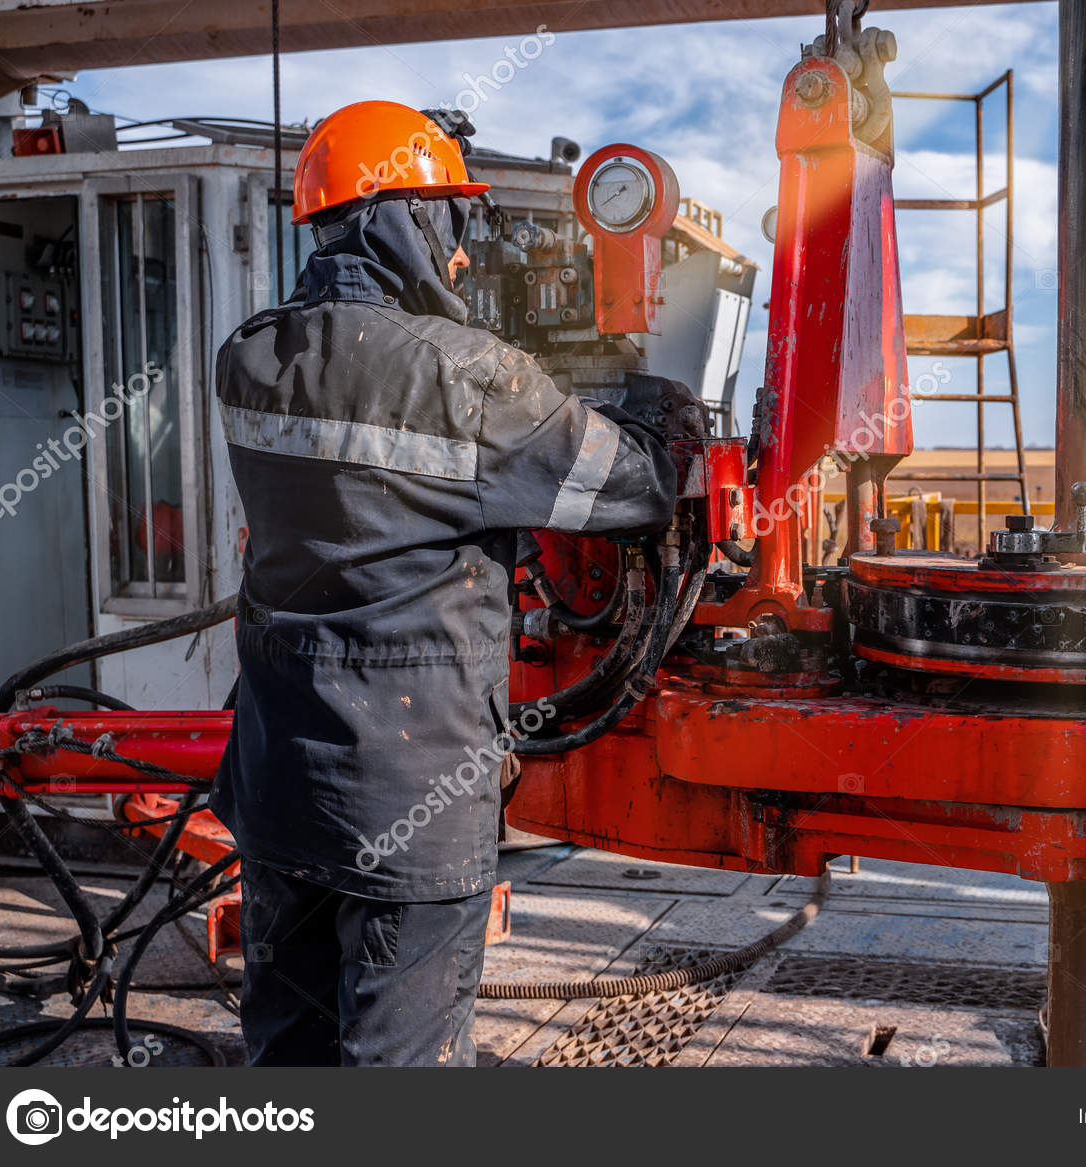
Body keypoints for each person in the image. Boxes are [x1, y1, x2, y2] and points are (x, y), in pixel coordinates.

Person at [210, 100, 677, 1066]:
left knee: (286, 1048)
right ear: (407, 220)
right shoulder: (470, 379)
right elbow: (634, 486)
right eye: (456, 223)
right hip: (404, 802)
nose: (463, 254)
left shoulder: (246, 358)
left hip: (277, 778)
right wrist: (662, 408)